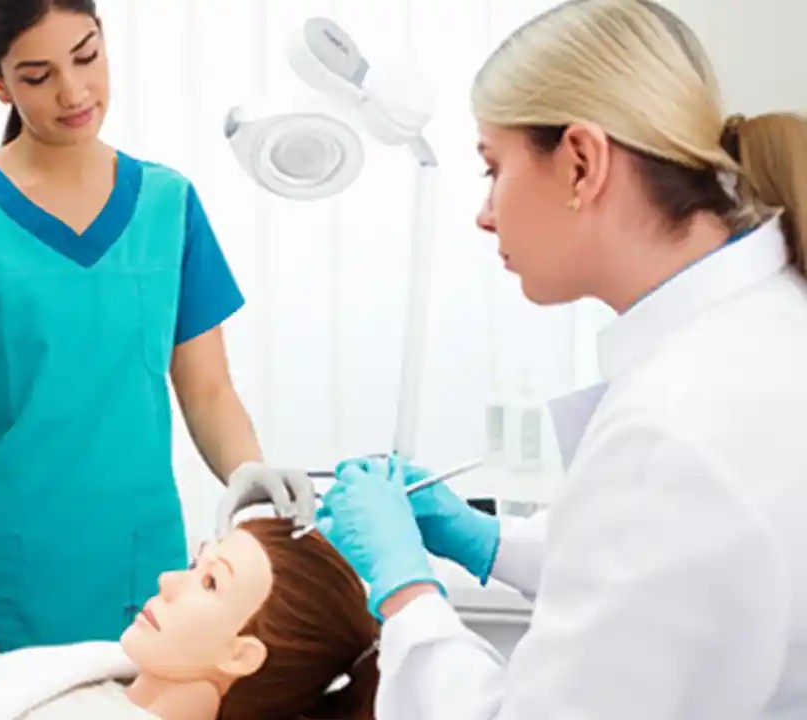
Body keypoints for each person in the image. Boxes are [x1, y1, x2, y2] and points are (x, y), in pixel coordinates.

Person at [316, 0, 807, 717]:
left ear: (581, 163)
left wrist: (405, 593)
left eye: (493, 167)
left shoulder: (675, 425)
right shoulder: (758, 329)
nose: (485, 213)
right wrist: (489, 542)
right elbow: (664, 580)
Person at [0, 0, 313, 657]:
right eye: (38, 75)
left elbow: (207, 391)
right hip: (0, 589)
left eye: (86, 57)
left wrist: (245, 467)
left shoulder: (168, 203)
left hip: (141, 586)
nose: (74, 91)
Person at [0, 518, 380, 720]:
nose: (168, 581)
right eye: (194, 562)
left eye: (209, 582)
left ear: (241, 655)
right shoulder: (95, 680)